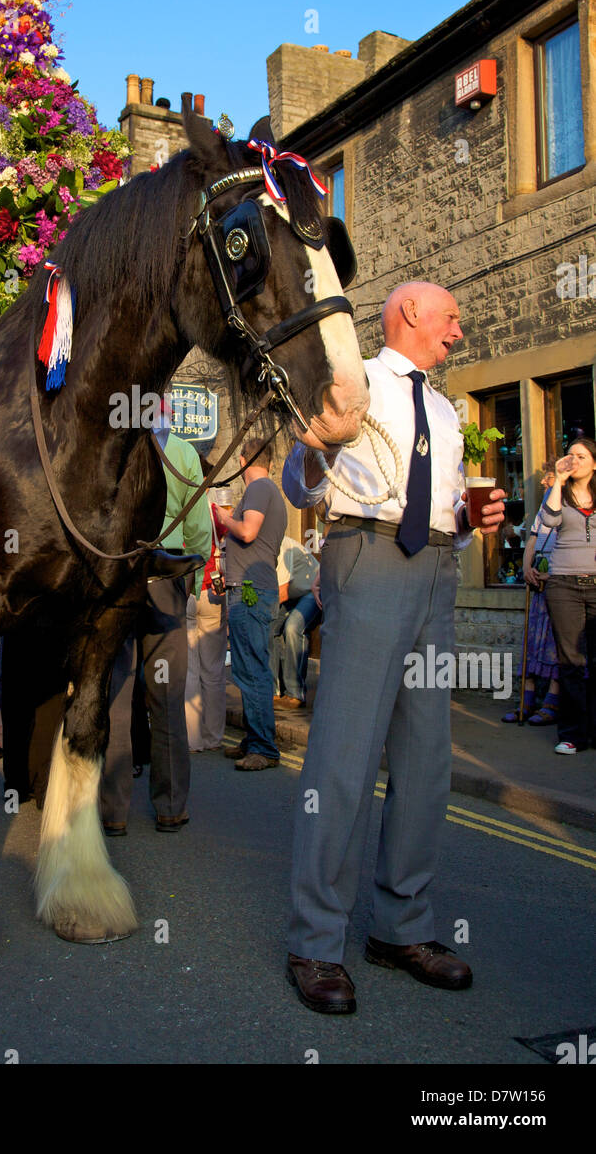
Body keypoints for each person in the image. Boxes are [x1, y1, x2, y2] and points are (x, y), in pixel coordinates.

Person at [281, 281, 505, 1015]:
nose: (459, 331)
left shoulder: (444, 410)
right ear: (410, 312)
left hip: (438, 569)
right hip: (367, 555)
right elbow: (299, 480)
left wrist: (472, 522)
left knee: (425, 758)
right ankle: (316, 941)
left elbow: (436, 509)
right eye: (452, 317)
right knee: (345, 757)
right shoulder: (351, 382)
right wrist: (318, 445)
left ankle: (401, 929)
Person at [100, 422, 212, 834]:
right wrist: (193, 582)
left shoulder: (115, 445)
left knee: (115, 696)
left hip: (119, 577)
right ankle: (170, 806)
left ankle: (112, 811)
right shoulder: (182, 453)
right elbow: (200, 526)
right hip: (167, 579)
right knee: (166, 698)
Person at [215, 446, 287, 771]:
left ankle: (263, 748)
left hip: (250, 591)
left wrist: (223, 517)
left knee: (253, 668)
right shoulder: (270, 489)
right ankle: (253, 739)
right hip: (253, 588)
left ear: (243, 460)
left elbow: (248, 531)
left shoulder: (258, 488)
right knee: (248, 667)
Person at [538, 438, 596, 755]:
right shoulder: (559, 492)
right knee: (571, 662)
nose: (574, 459)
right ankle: (572, 734)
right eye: (570, 454)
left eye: (581, 455)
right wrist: (558, 480)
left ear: (594, 462)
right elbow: (549, 520)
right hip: (564, 585)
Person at [505, 461, 560, 725]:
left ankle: (552, 702)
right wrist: (527, 567)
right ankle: (526, 702)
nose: (542, 481)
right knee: (532, 639)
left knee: (555, 643)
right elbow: (534, 538)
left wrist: (555, 574)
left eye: (548, 476)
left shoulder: (570, 502)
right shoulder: (543, 505)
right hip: (537, 578)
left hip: (560, 580)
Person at [184, 501, 229, 752]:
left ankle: (192, 739)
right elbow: (228, 537)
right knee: (213, 670)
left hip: (187, 589)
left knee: (190, 669)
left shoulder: (179, 504)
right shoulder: (213, 508)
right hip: (213, 590)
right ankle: (214, 737)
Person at [270, 533, 321, 708]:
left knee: (293, 627)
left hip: (311, 592)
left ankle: (295, 692)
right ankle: (273, 690)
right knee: (269, 626)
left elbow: (282, 592)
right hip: (292, 595)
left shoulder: (282, 546)